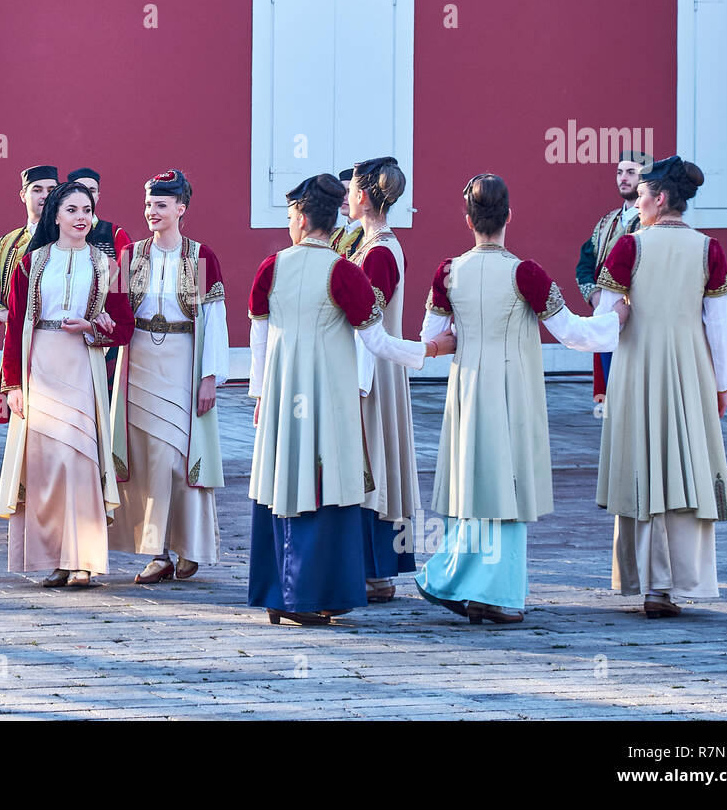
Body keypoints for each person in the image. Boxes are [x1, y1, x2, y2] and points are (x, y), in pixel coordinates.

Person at [416, 173, 625, 624]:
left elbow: (430, 335)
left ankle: (455, 579)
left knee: (470, 484)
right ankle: (496, 595)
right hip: (512, 392)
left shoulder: (448, 271)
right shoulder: (525, 273)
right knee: (505, 487)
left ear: (467, 217)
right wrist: (617, 318)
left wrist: (461, 332)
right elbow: (571, 333)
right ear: (509, 215)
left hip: (468, 390)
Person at [248, 174, 452, 626]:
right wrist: (430, 350)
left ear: (301, 218)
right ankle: (313, 595)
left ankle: (281, 594)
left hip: (284, 398)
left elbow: (258, 338)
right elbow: (377, 342)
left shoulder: (271, 267)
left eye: (288, 216)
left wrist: (261, 393)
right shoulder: (345, 273)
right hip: (329, 400)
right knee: (324, 489)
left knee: (285, 484)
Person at [594, 156, 727, 619]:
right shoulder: (708, 249)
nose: (636, 204)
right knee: (685, 467)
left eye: (640, 196)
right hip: (690, 370)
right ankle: (678, 581)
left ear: (660, 198)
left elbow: (604, 318)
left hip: (637, 366)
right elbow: (719, 326)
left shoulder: (629, 248)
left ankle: (649, 583)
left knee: (643, 464)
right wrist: (720, 385)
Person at [0, 181, 135, 587]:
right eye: (72, 210)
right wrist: (13, 384)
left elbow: (124, 327)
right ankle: (55, 557)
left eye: (87, 210)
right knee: (46, 465)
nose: (81, 218)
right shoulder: (30, 263)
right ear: (54, 214)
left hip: (82, 366)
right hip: (39, 365)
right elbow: (16, 326)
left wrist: (93, 326)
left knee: (80, 461)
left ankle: (84, 560)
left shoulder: (107, 266)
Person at [108, 170, 227, 583]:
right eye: (148, 204)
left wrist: (210, 376)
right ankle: (156, 552)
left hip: (183, 361)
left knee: (178, 458)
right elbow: (115, 311)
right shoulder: (129, 256)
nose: (151, 212)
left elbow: (214, 320)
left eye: (161, 204)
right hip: (138, 359)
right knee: (146, 460)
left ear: (181, 208)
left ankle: (188, 545)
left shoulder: (202, 257)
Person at [344, 157, 417, 602]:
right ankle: (371, 569)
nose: (347, 197)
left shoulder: (380, 252)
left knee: (374, 459)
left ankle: (377, 572)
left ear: (365, 195)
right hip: (371, 364)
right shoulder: (366, 243)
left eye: (352, 189)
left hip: (371, 369)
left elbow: (365, 320)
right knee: (372, 457)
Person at [0, 165, 58, 422]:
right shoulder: (8, 244)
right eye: (37, 189)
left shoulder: (74, 239)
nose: (44, 196)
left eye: (51, 190)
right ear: (23, 195)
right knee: (23, 415)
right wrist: (0, 312)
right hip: (20, 341)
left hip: (63, 339)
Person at [576, 150, 649, 400]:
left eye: (631, 172)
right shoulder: (607, 221)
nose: (623, 178)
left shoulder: (651, 222)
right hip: (607, 316)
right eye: (619, 172)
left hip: (641, 319)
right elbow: (584, 263)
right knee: (610, 390)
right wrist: (595, 297)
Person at [68, 166, 133, 387]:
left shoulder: (114, 233)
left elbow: (124, 284)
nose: (88, 194)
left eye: (92, 190)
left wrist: (103, 312)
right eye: (81, 189)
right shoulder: (55, 234)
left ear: (98, 195)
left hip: (105, 328)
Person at [329, 166, 364, 257]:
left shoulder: (371, 236)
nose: (343, 197)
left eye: (349, 191)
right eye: (341, 191)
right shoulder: (335, 236)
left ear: (362, 195)